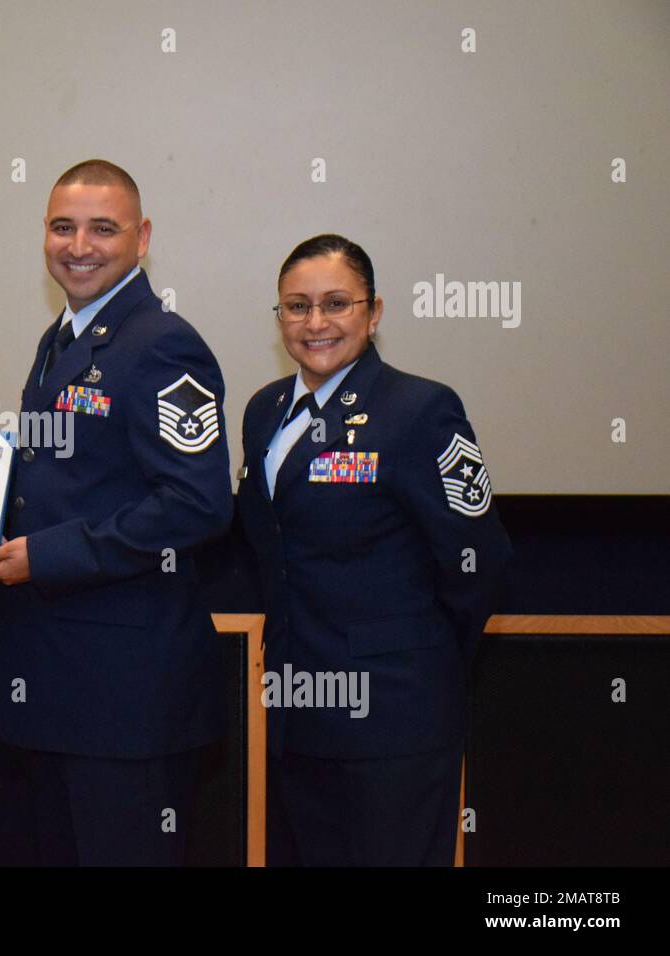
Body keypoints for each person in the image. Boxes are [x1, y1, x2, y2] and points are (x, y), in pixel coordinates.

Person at [0, 160, 232, 865]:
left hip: (127, 696)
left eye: (103, 229)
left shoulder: (162, 341)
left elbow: (196, 503)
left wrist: (49, 555)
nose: (80, 246)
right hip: (62, 682)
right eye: (63, 227)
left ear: (143, 238)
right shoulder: (64, 339)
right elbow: (73, 476)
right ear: (43, 234)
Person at [236, 233, 512, 866]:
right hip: (297, 711)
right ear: (279, 317)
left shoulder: (420, 409)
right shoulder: (264, 412)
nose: (316, 322)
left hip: (395, 716)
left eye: (337, 302)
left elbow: (480, 561)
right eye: (297, 306)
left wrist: (420, 658)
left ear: (375, 311)